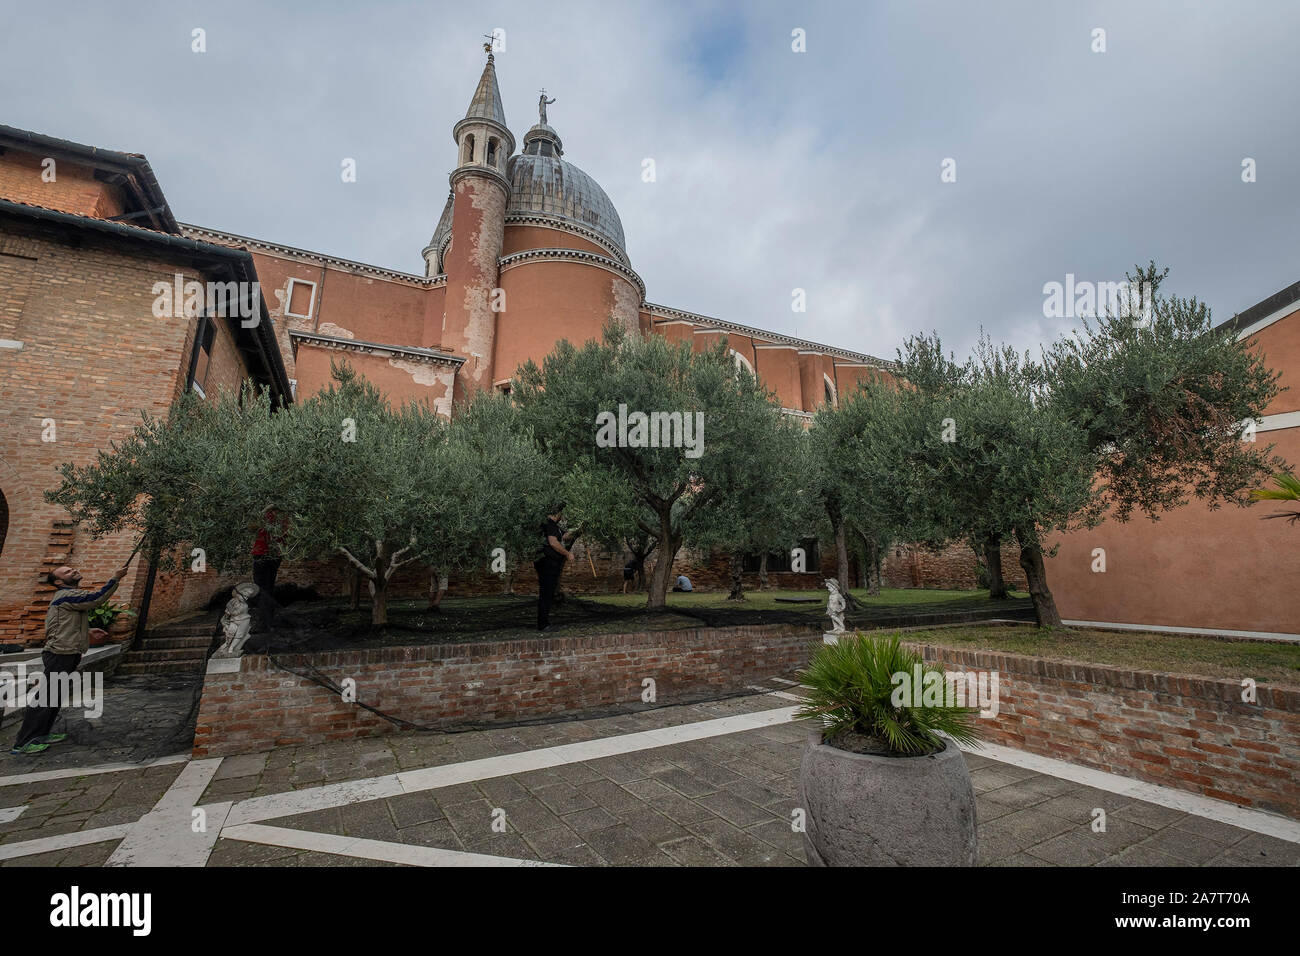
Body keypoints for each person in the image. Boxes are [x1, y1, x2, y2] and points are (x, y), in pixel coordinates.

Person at [11, 557, 133, 755]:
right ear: (59, 582)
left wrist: (87, 632)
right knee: (46, 696)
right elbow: (96, 599)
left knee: (55, 695)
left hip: (68, 651)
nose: (73, 571)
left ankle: (41, 734)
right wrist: (116, 578)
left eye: (71, 569)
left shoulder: (66, 598)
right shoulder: (66, 596)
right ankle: (24, 741)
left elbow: (64, 624)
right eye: (67, 572)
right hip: (60, 653)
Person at [533, 503, 573, 630]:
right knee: (546, 592)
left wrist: (577, 530)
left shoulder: (554, 526)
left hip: (548, 563)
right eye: (561, 514)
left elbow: (564, 536)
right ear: (558, 514)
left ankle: (544, 622)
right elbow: (553, 542)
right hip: (547, 563)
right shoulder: (548, 524)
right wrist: (567, 554)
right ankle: (543, 624)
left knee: (548, 592)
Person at [249, 509, 287, 632]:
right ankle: (268, 621)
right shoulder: (282, 515)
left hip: (263, 554)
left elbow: (252, 527)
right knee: (267, 588)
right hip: (275, 555)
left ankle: (265, 622)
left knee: (261, 589)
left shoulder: (268, 514)